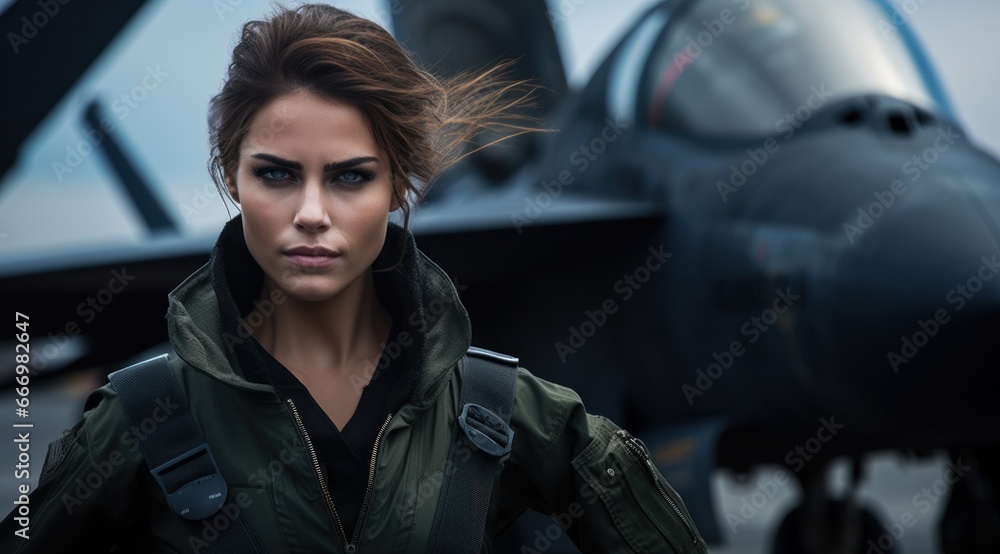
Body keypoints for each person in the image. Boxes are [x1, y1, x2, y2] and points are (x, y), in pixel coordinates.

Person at [1, 4, 707, 552]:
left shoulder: (515, 414)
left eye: (351, 177)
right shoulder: (142, 416)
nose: (311, 214)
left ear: (398, 189)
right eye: (275, 173)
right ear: (230, 179)